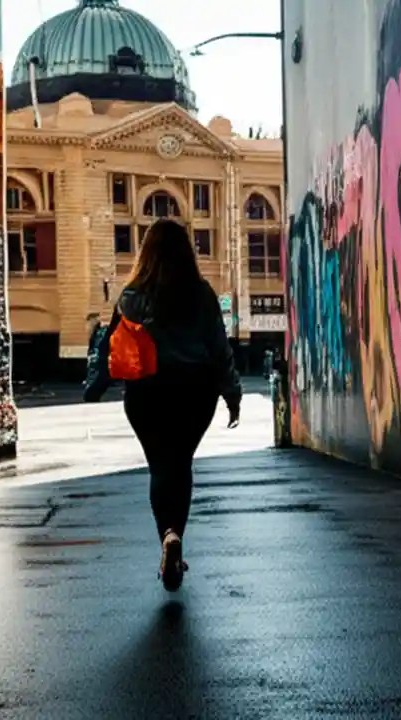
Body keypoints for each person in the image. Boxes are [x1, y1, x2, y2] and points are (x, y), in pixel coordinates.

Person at [84, 219, 242, 591]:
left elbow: (111, 346)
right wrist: (232, 394)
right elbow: (220, 350)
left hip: (146, 393)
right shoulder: (201, 294)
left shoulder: (132, 295)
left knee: (159, 467)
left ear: (146, 253)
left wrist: (97, 386)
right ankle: (177, 539)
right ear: (187, 252)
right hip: (194, 391)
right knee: (181, 465)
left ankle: (167, 536)